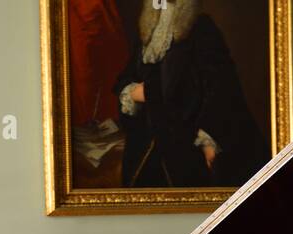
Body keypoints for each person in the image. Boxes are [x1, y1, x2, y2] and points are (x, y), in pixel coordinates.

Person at [113, 0, 268, 188]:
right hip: (147, 142)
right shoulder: (147, 32)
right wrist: (131, 92)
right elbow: (128, 76)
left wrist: (209, 138)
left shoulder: (202, 28)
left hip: (185, 140)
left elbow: (221, 88)